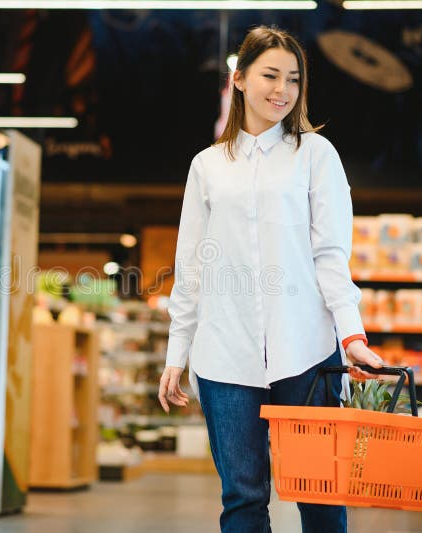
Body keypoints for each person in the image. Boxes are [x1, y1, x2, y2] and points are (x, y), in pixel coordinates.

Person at [157, 26, 386, 533]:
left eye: (293, 79)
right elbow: (191, 265)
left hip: (305, 350)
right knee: (242, 498)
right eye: (269, 76)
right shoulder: (208, 167)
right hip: (224, 355)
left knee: (321, 497)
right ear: (239, 79)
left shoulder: (316, 156)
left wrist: (352, 336)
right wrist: (177, 353)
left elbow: (331, 254)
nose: (281, 90)